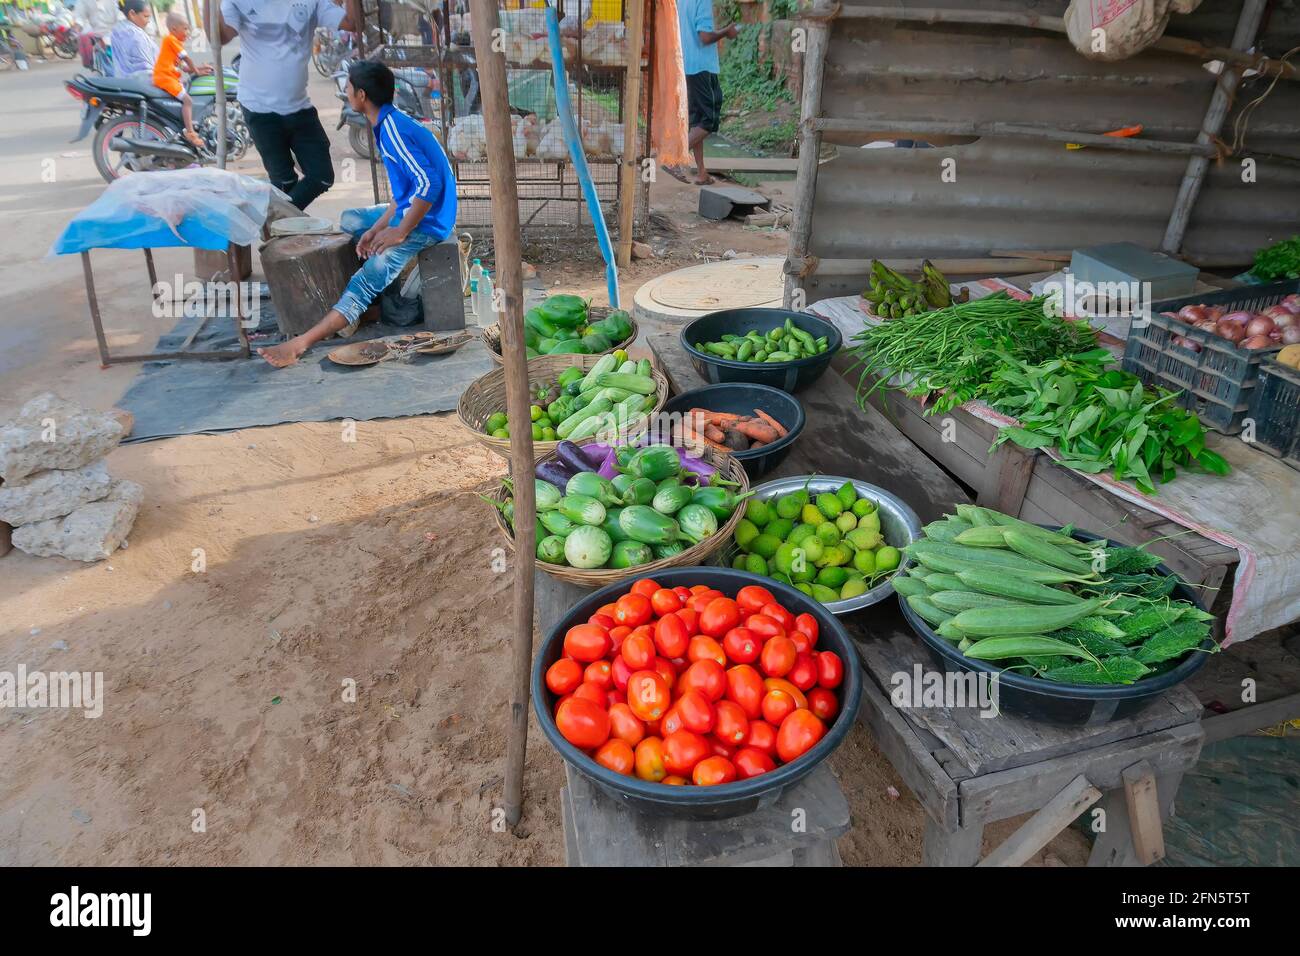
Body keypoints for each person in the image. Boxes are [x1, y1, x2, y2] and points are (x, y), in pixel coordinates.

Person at [258, 61, 457, 369]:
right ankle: (361, 304)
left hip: (430, 223)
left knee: (373, 270)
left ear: (361, 95)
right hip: (411, 211)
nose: (346, 91)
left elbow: (429, 184)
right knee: (352, 220)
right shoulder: (388, 122)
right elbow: (404, 195)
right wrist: (378, 227)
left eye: (348, 87)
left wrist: (400, 231)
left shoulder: (393, 130)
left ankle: (302, 342)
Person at [206, 0, 360, 210]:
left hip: (299, 107)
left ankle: (274, 220)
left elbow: (351, 23)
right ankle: (282, 228)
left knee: (321, 176)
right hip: (258, 108)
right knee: (284, 183)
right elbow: (219, 36)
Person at [675, 0, 737, 186]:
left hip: (688, 65)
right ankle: (674, 159)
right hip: (701, 66)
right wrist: (727, 31)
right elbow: (705, 37)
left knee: (697, 122)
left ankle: (702, 172)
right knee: (708, 121)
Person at [152, 12, 212, 149]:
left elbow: (184, 67)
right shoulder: (170, 39)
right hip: (165, 77)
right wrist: (196, 70)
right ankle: (190, 132)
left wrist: (201, 69)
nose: (188, 32)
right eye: (185, 28)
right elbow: (187, 59)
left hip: (167, 77)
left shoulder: (173, 43)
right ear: (174, 29)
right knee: (188, 100)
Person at [110, 0, 157, 78]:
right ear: (132, 14)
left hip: (123, 83)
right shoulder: (137, 36)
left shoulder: (117, 30)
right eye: (146, 16)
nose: (148, 21)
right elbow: (146, 68)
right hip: (143, 84)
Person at [74, 0, 120, 69]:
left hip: (116, 35)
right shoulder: (84, 2)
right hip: (97, 38)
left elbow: (121, 16)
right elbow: (79, 18)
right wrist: (76, 31)